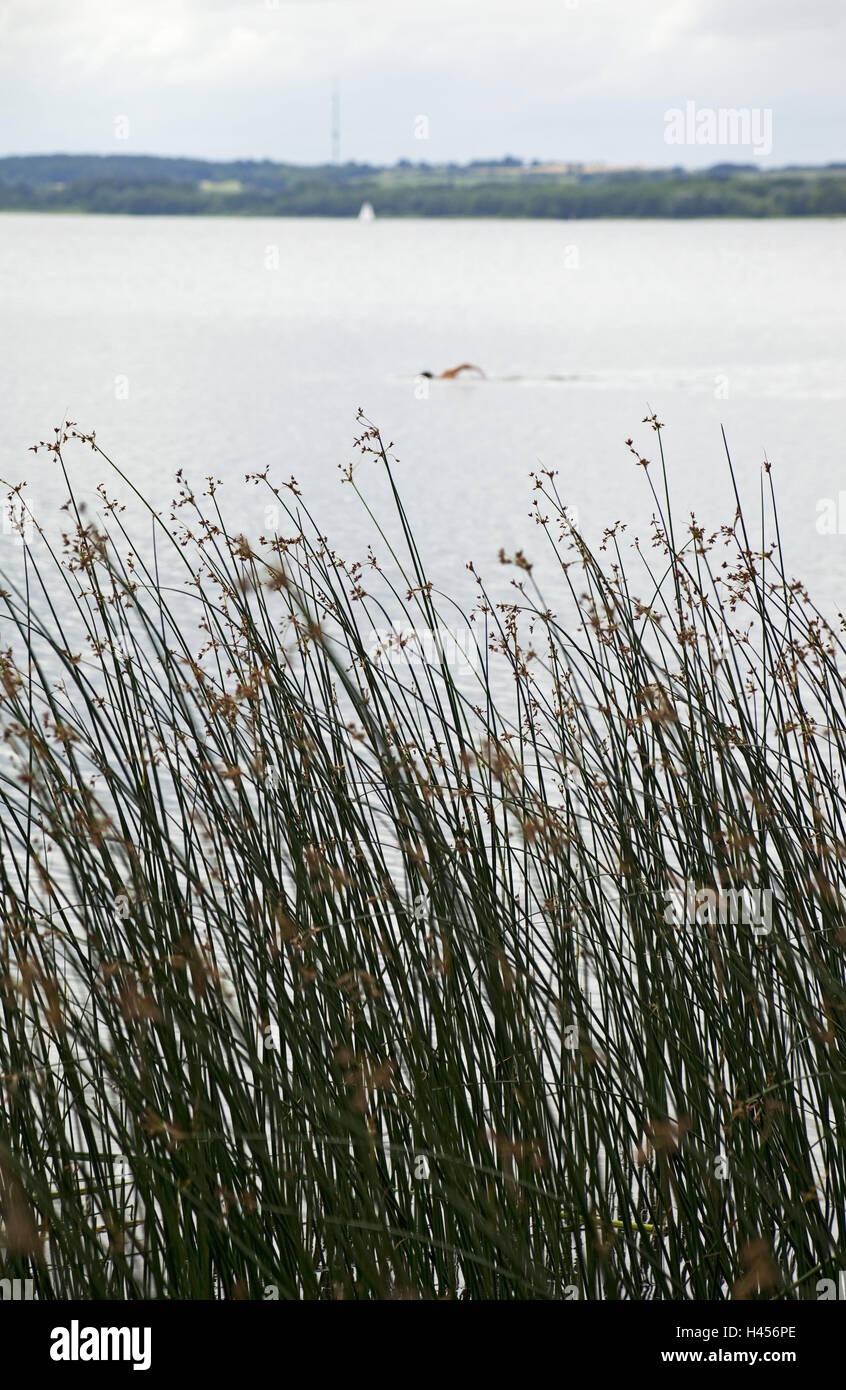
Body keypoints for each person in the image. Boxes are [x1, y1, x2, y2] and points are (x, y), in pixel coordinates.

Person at [419, 363, 485, 380]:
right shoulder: (446, 375)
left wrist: (477, 369)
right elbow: (463, 365)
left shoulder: (446, 374)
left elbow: (463, 365)